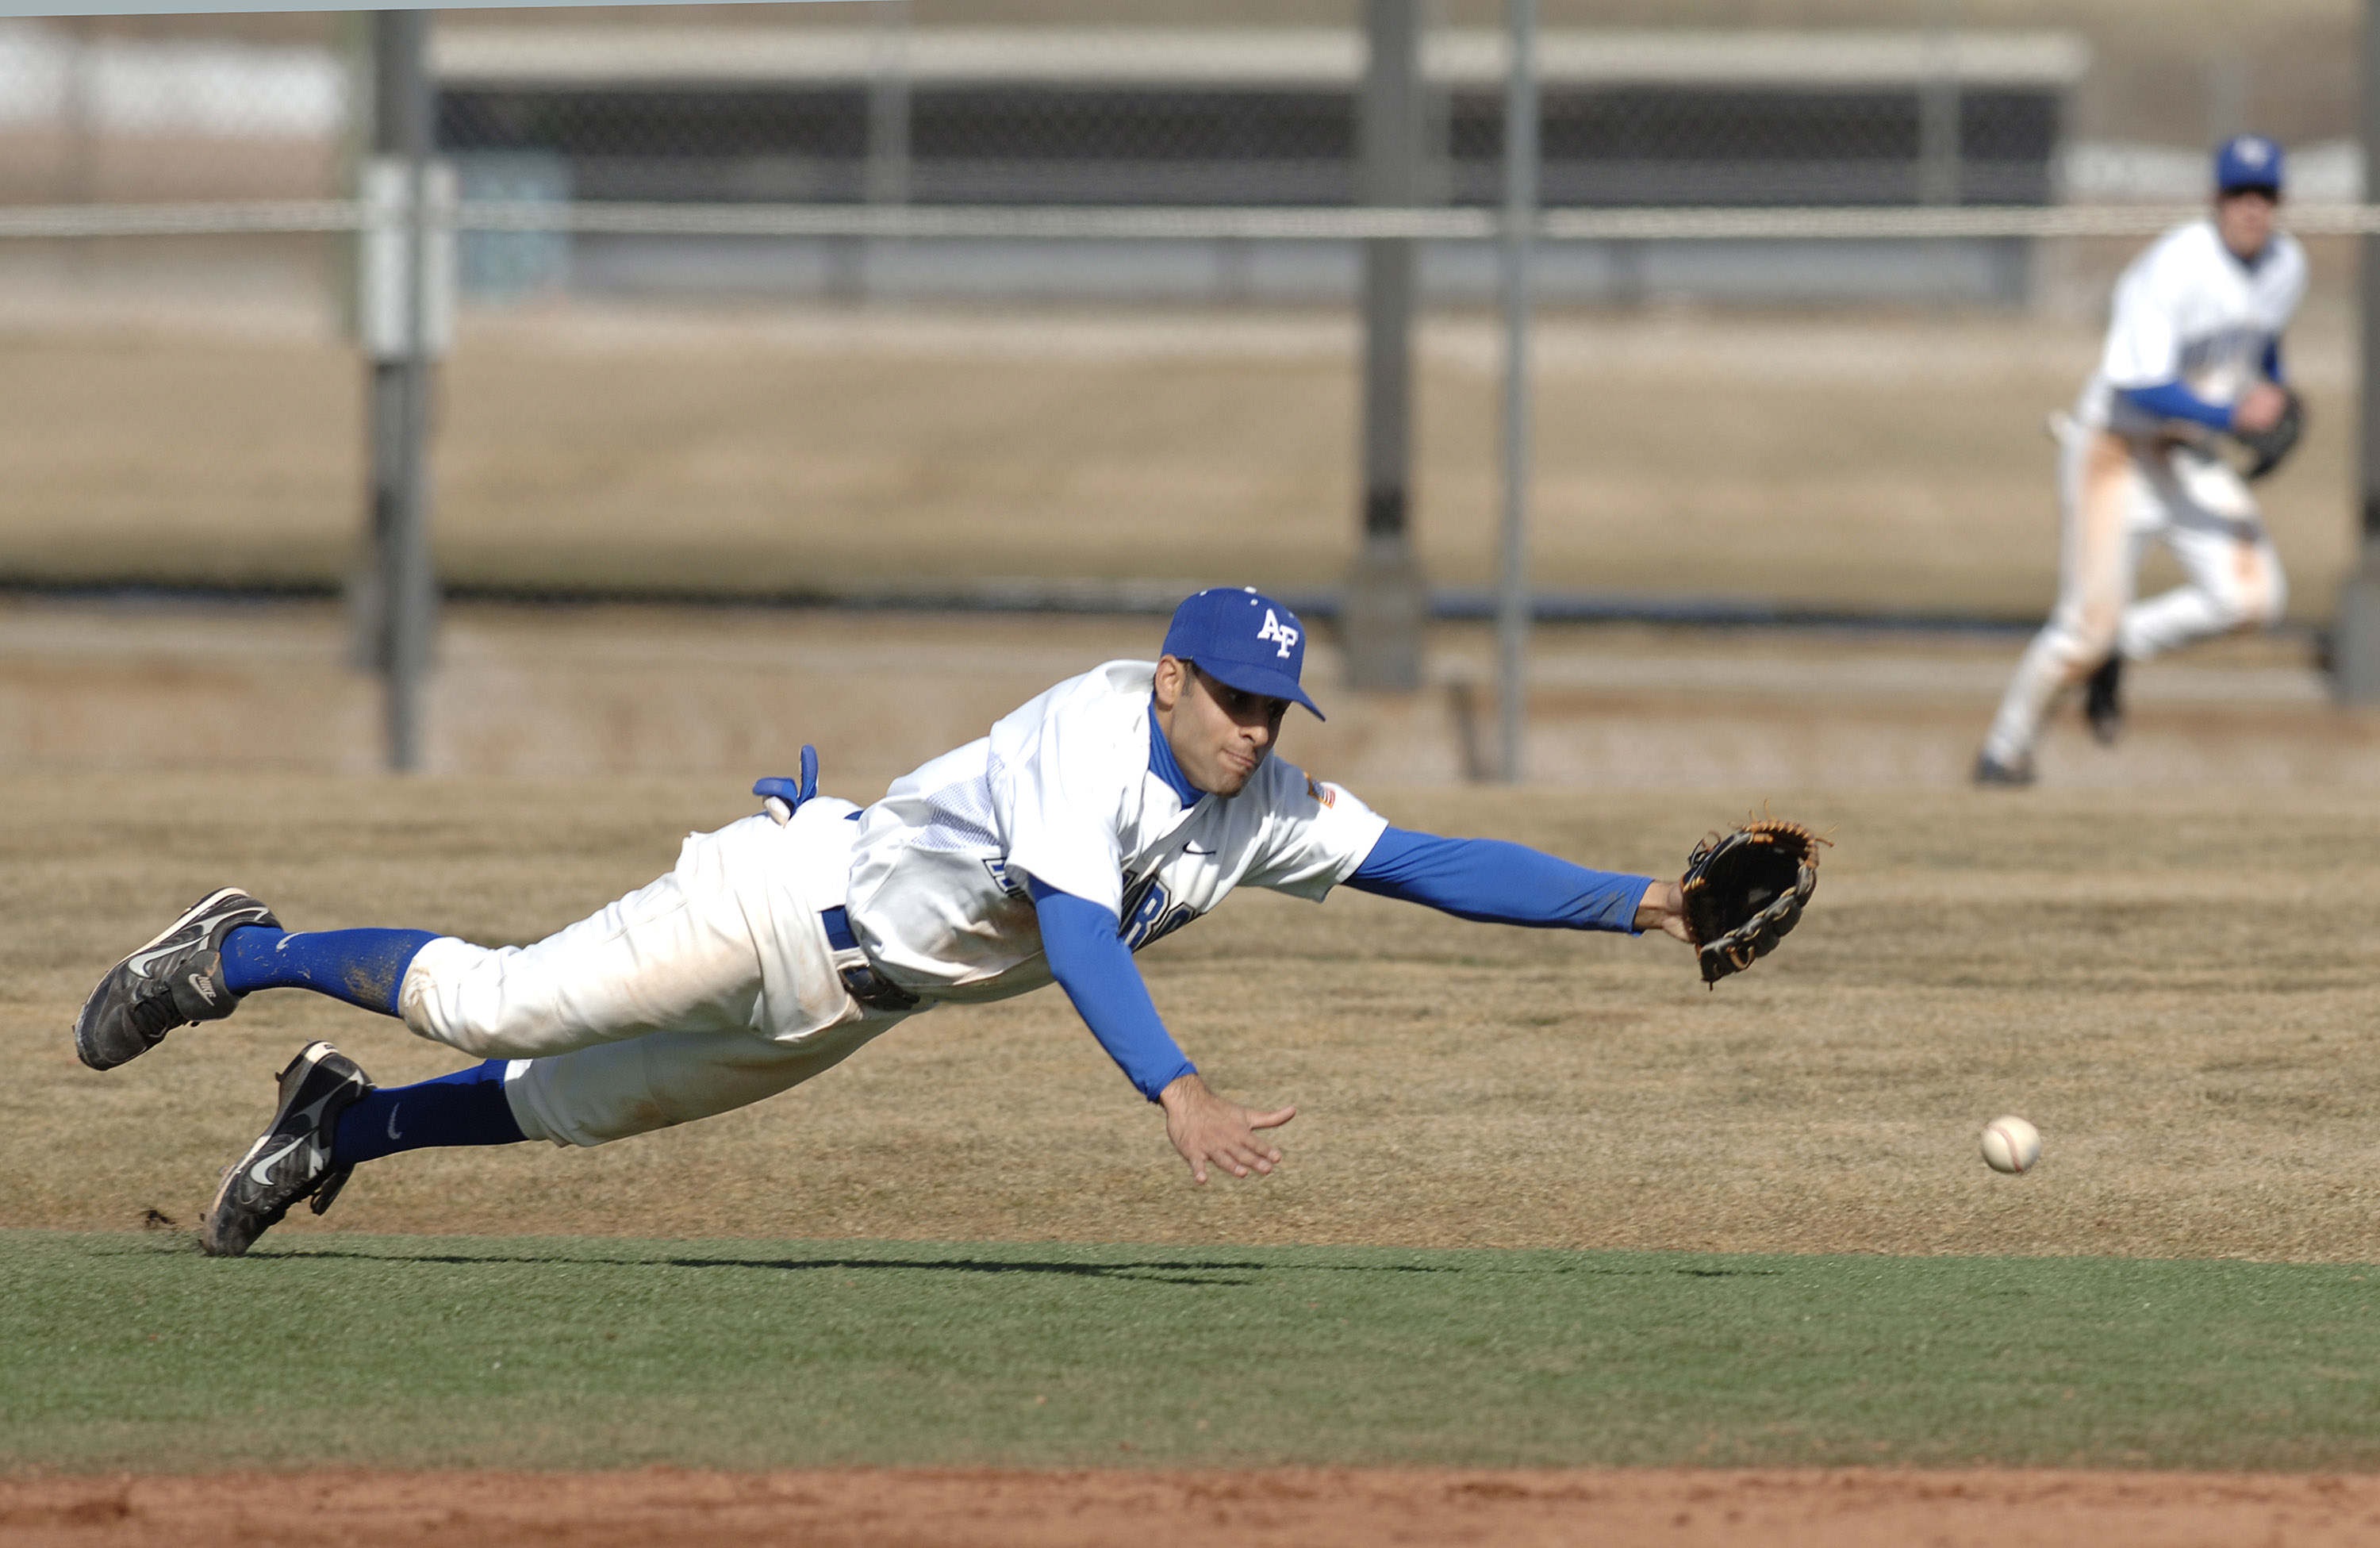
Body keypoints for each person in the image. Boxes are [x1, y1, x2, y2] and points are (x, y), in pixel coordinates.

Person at [78, 588, 1701, 1256]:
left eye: (1280, 707)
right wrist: (1176, 1087)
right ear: (1170, 678)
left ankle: (343, 1128)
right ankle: (234, 951)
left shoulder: (1257, 805)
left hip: (851, 1004)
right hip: (783, 896)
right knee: (506, 1006)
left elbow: (1425, 860)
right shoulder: (1087, 735)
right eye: (1237, 700)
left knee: (571, 1109)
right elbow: (1077, 932)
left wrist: (1642, 905)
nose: (1259, 732)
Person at [1975, 135, 2304, 786]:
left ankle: (2121, 647)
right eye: (2239, 194)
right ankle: (2003, 754)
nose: (2252, 209)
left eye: (2264, 195)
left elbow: (2259, 346)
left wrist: (2274, 392)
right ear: (2215, 199)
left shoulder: (2286, 265)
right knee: (2082, 630)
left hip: (2188, 452)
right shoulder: (2175, 267)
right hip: (2115, 449)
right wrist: (2233, 417)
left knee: (2255, 597)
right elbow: (2136, 383)